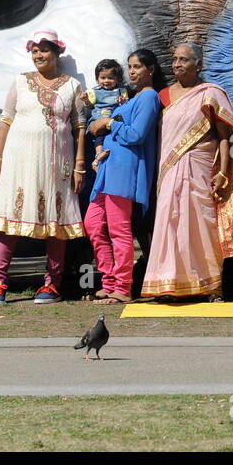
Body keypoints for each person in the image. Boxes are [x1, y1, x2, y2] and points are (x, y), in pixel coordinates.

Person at [142, 42, 233, 300]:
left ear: (198, 65)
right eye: (175, 59)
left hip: (201, 168)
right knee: (170, 222)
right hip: (168, 170)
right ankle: (169, 284)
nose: (177, 64)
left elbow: (226, 137)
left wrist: (223, 172)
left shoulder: (211, 93)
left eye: (184, 60)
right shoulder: (163, 96)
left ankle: (212, 286)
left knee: (203, 226)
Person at [0, 29, 87, 306]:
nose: (39, 55)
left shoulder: (72, 87)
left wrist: (80, 167)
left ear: (56, 53)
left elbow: (80, 127)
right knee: (9, 223)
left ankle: (52, 285)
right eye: (34, 50)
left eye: (44, 50)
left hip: (56, 166)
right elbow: (5, 120)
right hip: (19, 163)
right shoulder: (21, 81)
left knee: (56, 224)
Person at [83, 49, 163, 304]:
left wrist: (108, 125)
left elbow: (136, 135)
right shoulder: (129, 97)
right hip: (107, 167)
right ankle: (108, 282)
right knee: (93, 225)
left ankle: (122, 288)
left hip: (125, 169)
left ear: (150, 70)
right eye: (129, 66)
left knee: (119, 229)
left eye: (137, 66)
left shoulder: (149, 97)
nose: (131, 71)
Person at [86, 59, 128, 169]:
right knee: (100, 136)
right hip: (98, 120)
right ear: (97, 78)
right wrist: (86, 100)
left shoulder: (121, 91)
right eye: (103, 78)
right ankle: (99, 153)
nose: (106, 81)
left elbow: (126, 105)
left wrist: (123, 102)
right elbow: (90, 106)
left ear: (117, 78)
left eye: (110, 78)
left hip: (114, 120)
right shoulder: (94, 91)